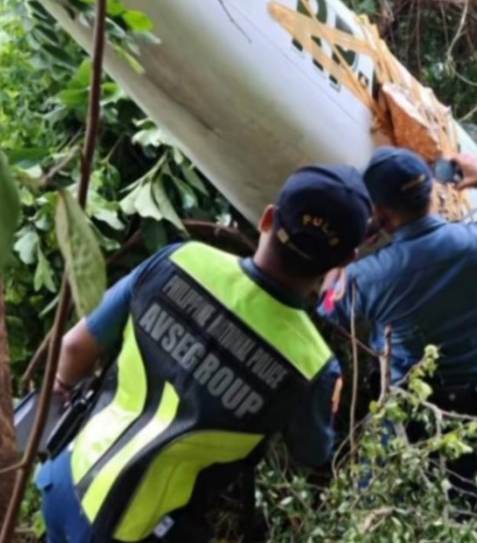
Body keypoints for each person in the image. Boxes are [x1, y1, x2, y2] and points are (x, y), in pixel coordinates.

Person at [36, 165, 372, 543]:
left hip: (68, 479)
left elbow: (74, 346)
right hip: (143, 530)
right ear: (345, 261)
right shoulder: (313, 365)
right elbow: (311, 453)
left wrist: (59, 394)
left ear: (267, 218)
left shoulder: (180, 258)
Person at [317, 146, 477, 501]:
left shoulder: (371, 277)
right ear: (433, 191)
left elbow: (328, 303)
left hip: (406, 435)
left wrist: (353, 245)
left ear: (381, 215)